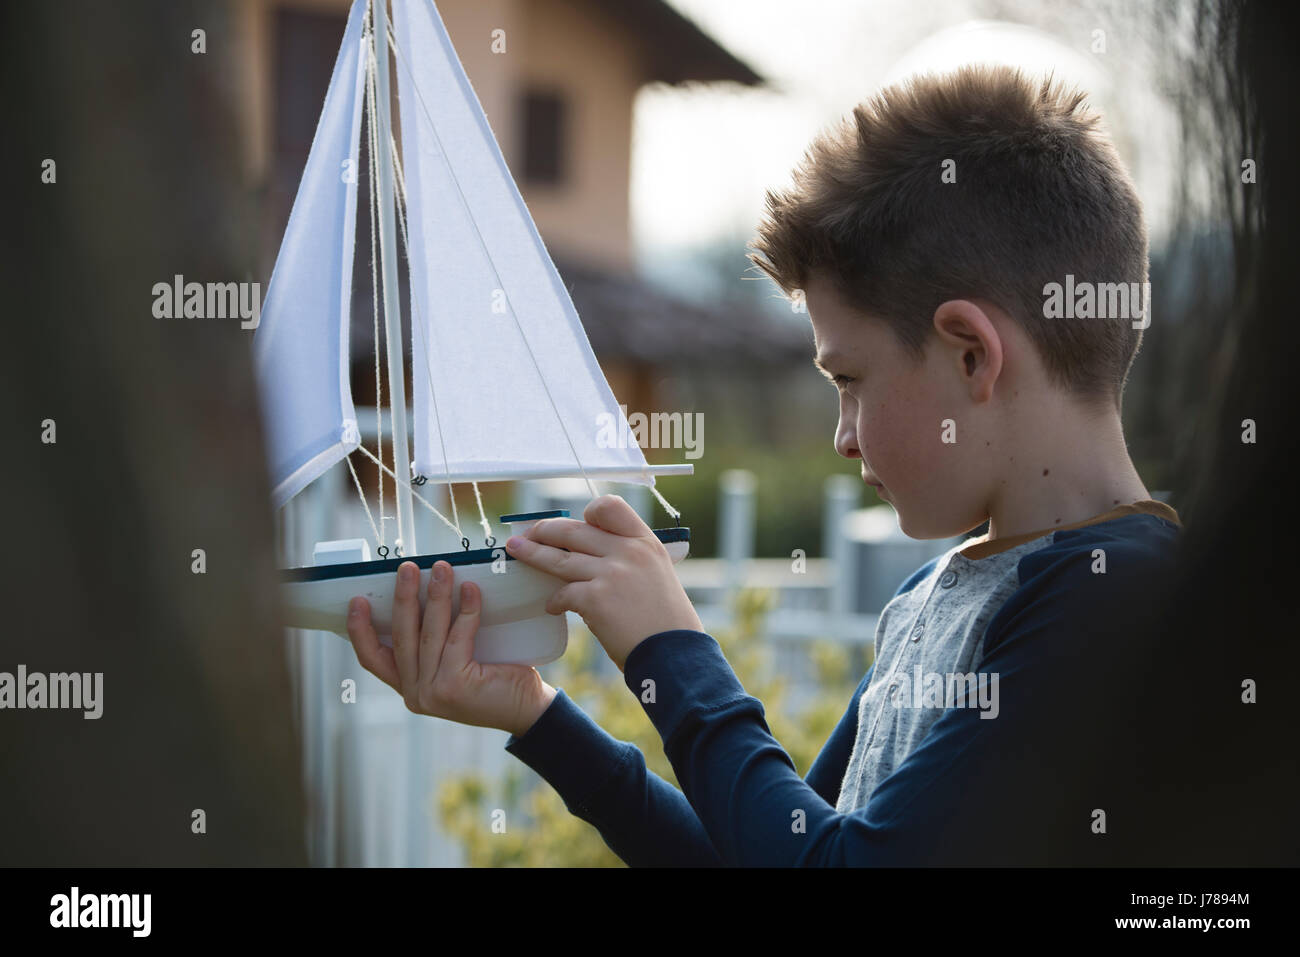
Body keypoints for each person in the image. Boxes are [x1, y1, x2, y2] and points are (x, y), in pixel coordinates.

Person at [344, 64, 1183, 865]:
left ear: (971, 356)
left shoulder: (1114, 597)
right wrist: (537, 715)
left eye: (849, 380)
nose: (843, 436)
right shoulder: (932, 595)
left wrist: (672, 650)